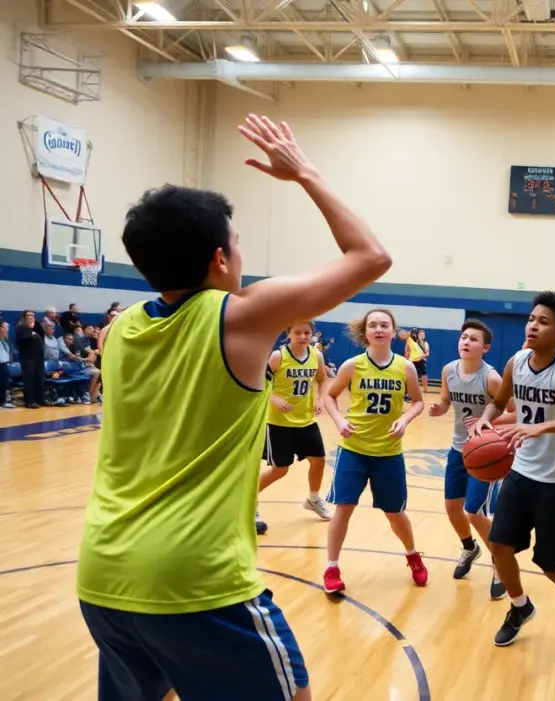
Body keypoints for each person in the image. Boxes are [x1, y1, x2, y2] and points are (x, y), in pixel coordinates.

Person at [76, 114, 392, 701]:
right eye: (238, 242)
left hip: (102, 571)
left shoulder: (118, 331)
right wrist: (305, 175)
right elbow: (370, 256)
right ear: (220, 258)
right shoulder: (238, 316)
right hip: (193, 576)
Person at [472, 291, 555, 668]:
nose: (533, 325)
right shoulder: (516, 361)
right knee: (499, 547)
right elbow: (500, 403)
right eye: (532, 319)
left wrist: (542, 427)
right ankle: (520, 606)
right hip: (521, 471)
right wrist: (487, 418)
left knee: (553, 566)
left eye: (543, 321)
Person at [322, 308, 427, 593]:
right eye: (373, 325)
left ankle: (413, 555)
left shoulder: (405, 367)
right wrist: (340, 420)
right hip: (353, 449)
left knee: (395, 513)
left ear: (394, 331)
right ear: (365, 332)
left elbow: (418, 402)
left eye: (384, 325)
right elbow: (330, 396)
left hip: (388, 452)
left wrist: (404, 419)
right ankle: (331, 567)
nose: (379, 329)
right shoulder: (352, 365)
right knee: (343, 508)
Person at [428, 319, 507, 599]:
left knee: (475, 512)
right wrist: (440, 407)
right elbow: (447, 399)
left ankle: (501, 562)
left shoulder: (492, 378)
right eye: (463, 337)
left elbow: (514, 412)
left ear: (485, 348)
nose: (466, 342)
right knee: (452, 507)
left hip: (485, 451)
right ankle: (469, 547)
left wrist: (485, 420)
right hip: (458, 448)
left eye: (473, 339)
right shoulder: (449, 370)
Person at [256, 320, 331, 535]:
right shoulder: (278, 356)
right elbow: (259, 381)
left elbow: (323, 380)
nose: (303, 336)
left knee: (319, 460)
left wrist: (320, 399)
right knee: (280, 469)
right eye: (298, 332)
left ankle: (313, 499)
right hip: (279, 423)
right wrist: (274, 397)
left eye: (307, 332)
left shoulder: (316, 356)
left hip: (306, 419)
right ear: (289, 334)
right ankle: (250, 502)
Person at [15, 310, 45, 409]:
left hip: (38, 358)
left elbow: (41, 335)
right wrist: (30, 329)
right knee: (29, 379)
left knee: (39, 378)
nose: (31, 317)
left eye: (33, 315)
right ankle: (30, 401)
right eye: (29, 315)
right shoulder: (21, 327)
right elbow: (25, 339)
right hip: (28, 357)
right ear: (24, 317)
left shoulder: (36, 325)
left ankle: (40, 399)